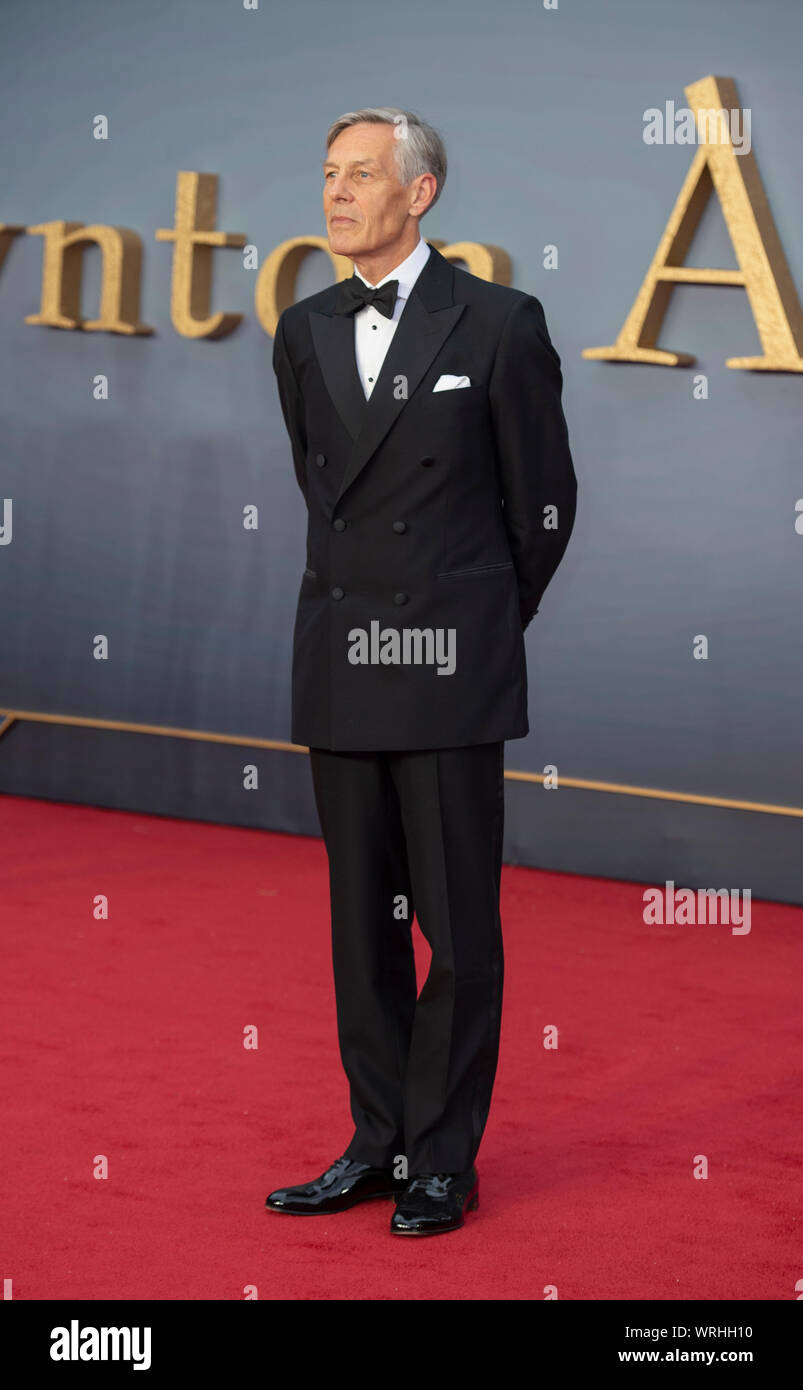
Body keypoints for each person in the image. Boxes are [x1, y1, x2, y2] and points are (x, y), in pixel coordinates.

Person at [267, 107, 577, 1236]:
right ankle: (375, 1140)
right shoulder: (301, 330)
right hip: (343, 662)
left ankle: (444, 1157)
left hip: (448, 666)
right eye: (327, 174)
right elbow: (323, 496)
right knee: (362, 922)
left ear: (421, 192)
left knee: (455, 923)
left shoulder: (497, 322)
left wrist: (477, 620)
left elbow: (541, 505)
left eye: (360, 175)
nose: (335, 194)